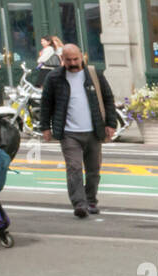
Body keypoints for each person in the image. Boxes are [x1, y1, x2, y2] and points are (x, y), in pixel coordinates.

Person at [39, 43, 119, 218]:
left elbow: (108, 98)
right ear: (62, 59)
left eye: (76, 59)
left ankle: (90, 200)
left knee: (93, 170)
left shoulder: (94, 75)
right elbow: (46, 104)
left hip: (94, 131)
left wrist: (111, 124)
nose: (73, 63)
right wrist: (45, 127)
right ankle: (79, 204)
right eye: (68, 60)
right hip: (69, 133)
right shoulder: (54, 78)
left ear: (81, 56)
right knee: (74, 168)